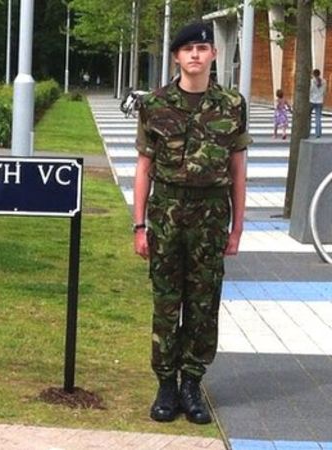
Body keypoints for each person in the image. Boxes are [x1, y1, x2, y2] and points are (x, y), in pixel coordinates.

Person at [133, 22, 251, 425]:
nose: (196, 55)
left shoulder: (232, 105)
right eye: (188, 49)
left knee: (203, 305)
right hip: (166, 215)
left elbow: (238, 169)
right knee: (167, 303)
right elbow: (144, 168)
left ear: (214, 54)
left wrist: (237, 227)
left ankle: (192, 384)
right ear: (176, 58)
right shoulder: (155, 103)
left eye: (202, 48)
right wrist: (138, 226)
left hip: (211, 216)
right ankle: (166, 385)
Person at [310, 69, 326, 138]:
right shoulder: (324, 81)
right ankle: (318, 133)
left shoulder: (312, 81)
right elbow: (324, 91)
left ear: (313, 74)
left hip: (312, 100)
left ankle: (307, 130)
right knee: (318, 118)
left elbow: (310, 91)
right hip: (320, 101)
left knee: (308, 116)